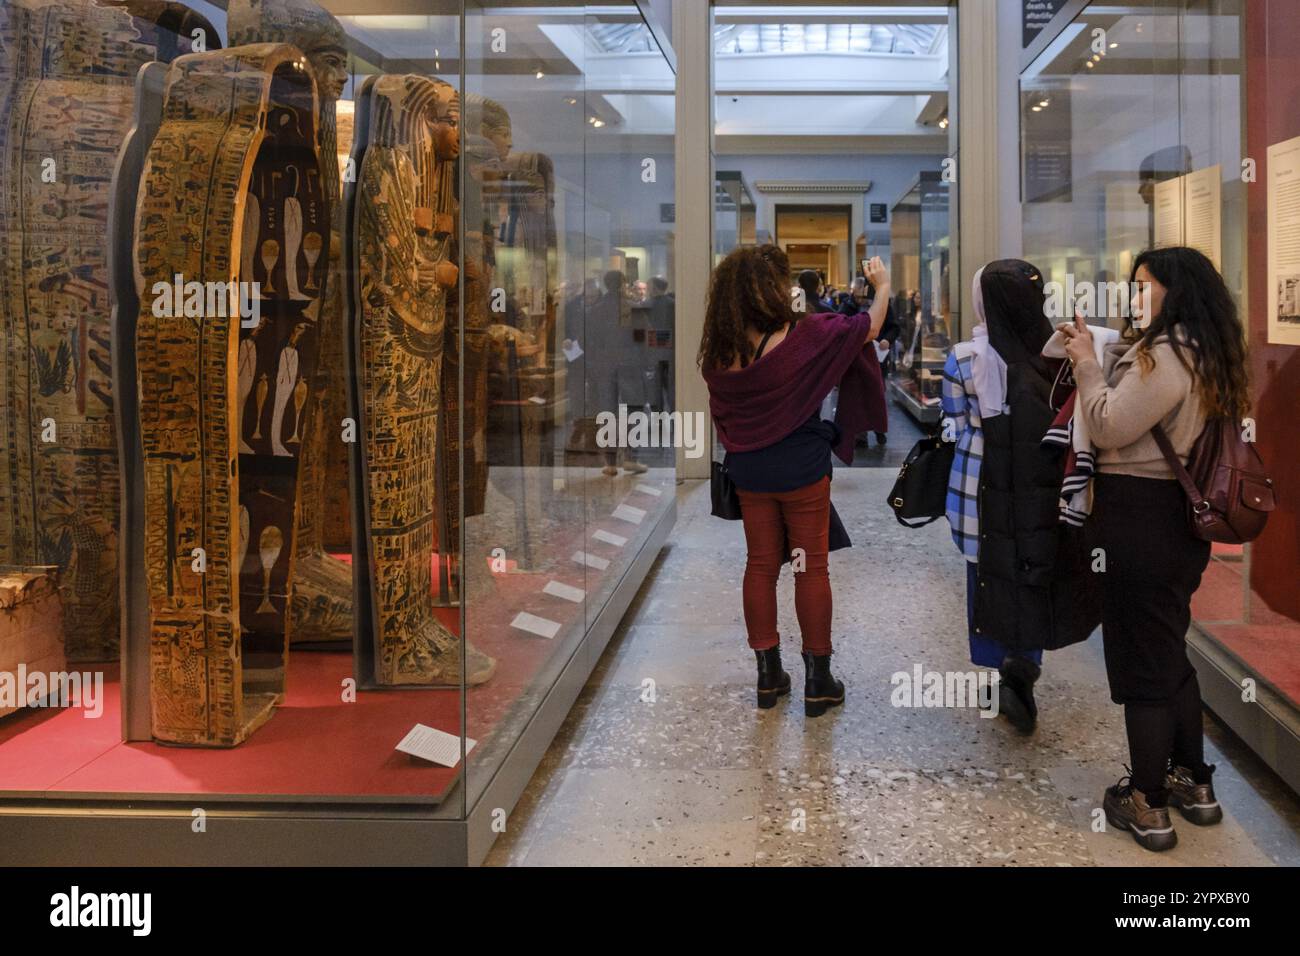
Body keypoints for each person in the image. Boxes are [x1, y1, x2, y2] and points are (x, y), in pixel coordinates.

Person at [1063, 246, 1248, 852]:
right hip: (1176, 522)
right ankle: (1194, 781)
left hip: (1138, 519)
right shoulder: (1206, 349)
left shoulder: (1169, 356)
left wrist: (1089, 362)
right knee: (1169, 650)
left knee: (1143, 663)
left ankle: (1147, 803)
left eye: (1144, 286)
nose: (1134, 295)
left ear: (1176, 291)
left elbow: (1110, 424)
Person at [700, 246, 890, 716]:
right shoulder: (808, 336)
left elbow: (725, 416)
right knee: (811, 568)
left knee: (761, 565)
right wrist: (882, 288)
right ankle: (818, 681)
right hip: (802, 468)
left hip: (749, 470)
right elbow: (869, 327)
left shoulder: (719, 353)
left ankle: (768, 676)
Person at [942, 260, 1085, 734]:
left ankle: (998, 666)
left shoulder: (964, 357)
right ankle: (1024, 667)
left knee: (985, 572)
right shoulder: (1060, 354)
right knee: (1032, 568)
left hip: (979, 484)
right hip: (1041, 481)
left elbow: (955, 427)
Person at [839, 276, 895, 445]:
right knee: (856, 396)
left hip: (878, 357)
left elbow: (893, 326)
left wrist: (887, 339)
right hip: (855, 359)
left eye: (863, 297)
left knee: (877, 394)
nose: (860, 300)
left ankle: (879, 429)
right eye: (857, 296)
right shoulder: (846, 307)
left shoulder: (881, 305)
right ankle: (860, 433)